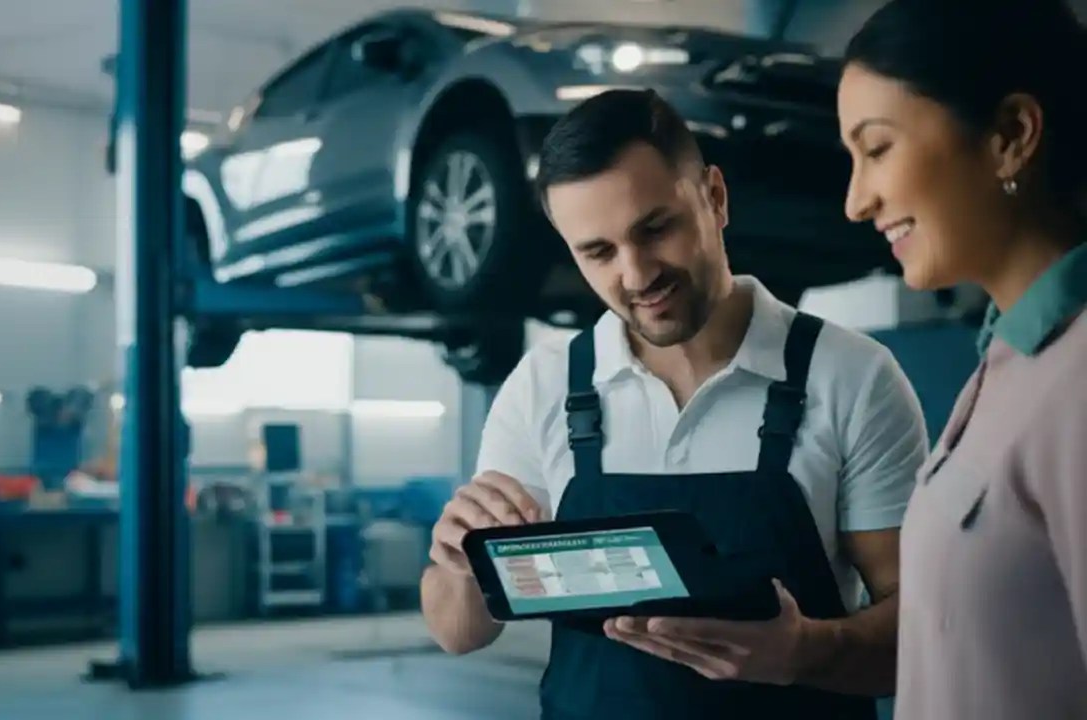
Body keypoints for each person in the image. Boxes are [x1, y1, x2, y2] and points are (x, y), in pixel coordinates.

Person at [421, 87, 929, 719]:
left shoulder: (852, 378)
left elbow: (927, 634)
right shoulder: (543, 385)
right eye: (598, 252)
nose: (636, 275)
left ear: (714, 197)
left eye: (655, 229)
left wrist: (804, 652)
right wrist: (461, 565)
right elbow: (458, 631)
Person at [838, 1, 1087, 718]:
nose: (856, 200)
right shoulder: (1006, 362)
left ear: (1011, 135)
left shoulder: (1079, 377)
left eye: (877, 148)